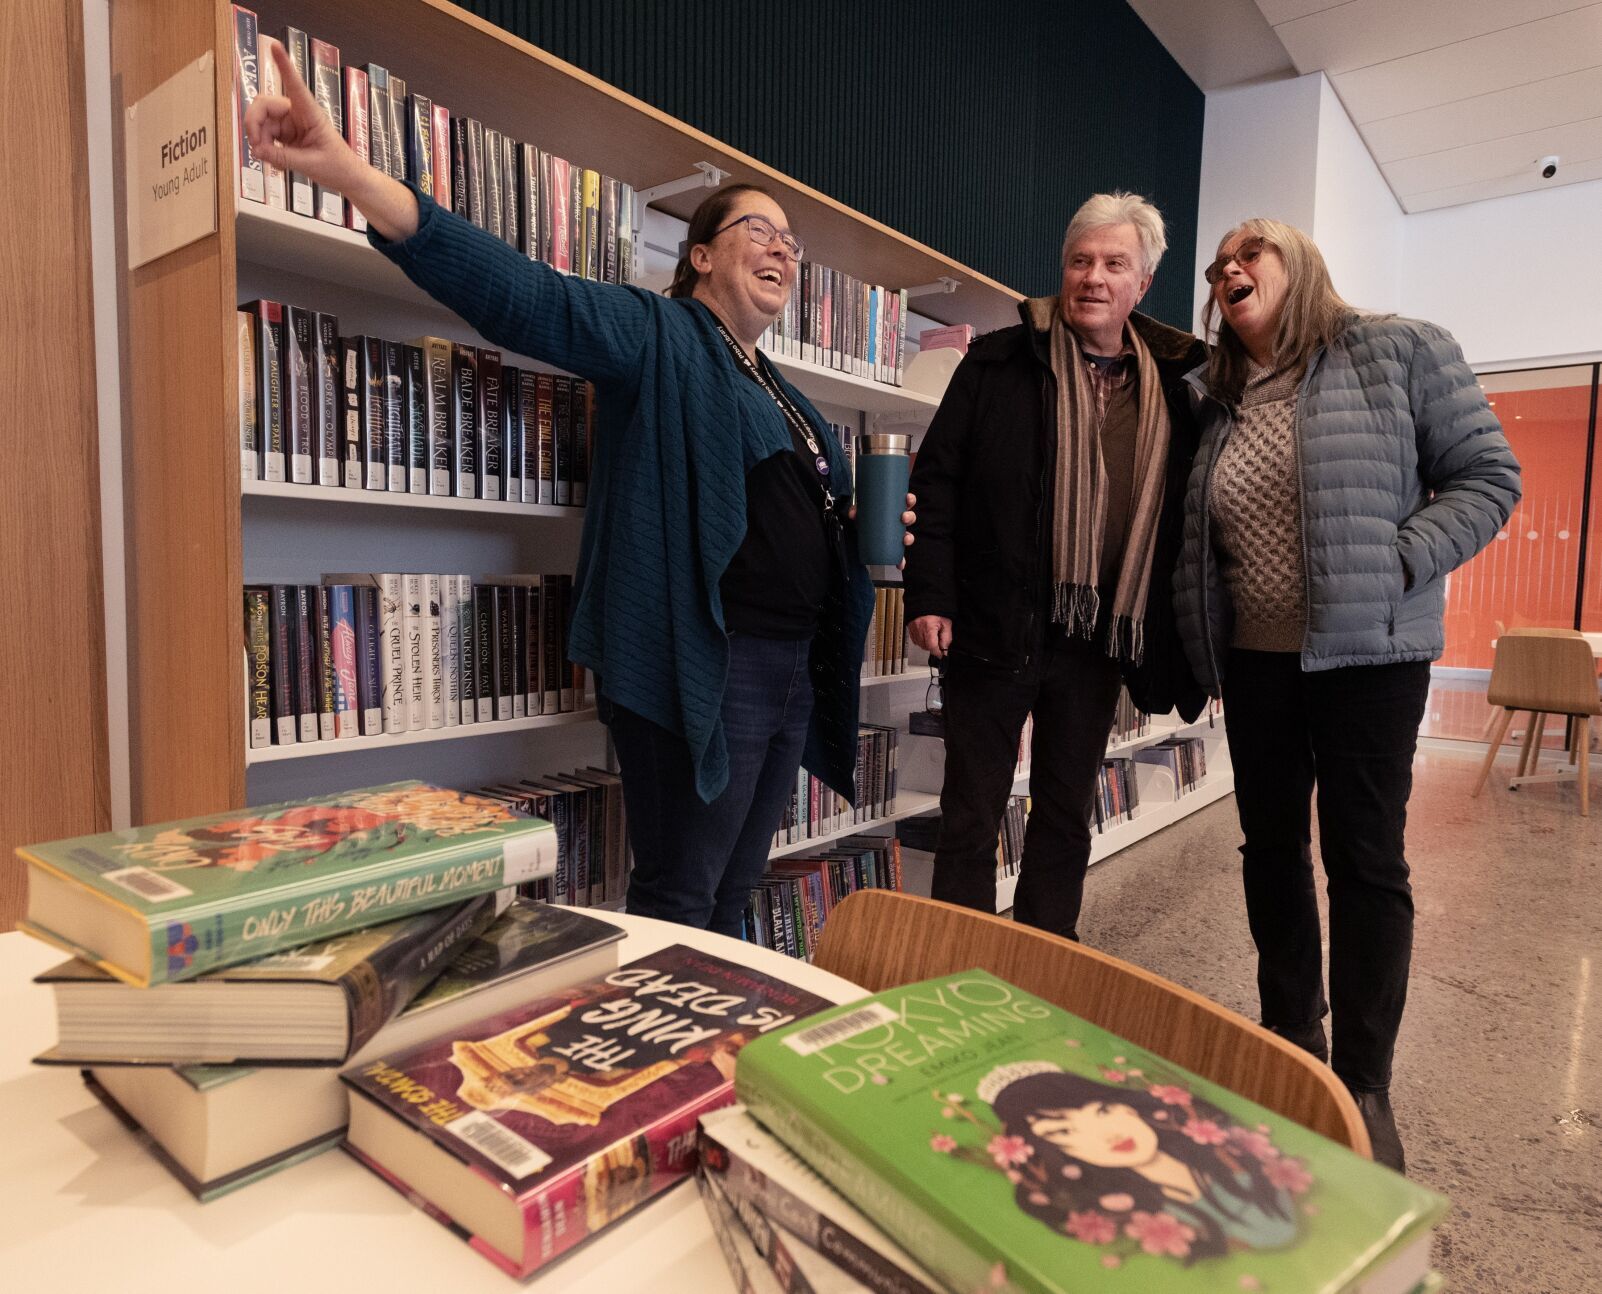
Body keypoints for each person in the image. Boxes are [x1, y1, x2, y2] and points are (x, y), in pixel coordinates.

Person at [244, 41, 913, 937]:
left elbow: (796, 522)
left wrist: (855, 523)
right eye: (761, 231)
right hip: (704, 668)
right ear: (702, 257)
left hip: (790, 666)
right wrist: (353, 175)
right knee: (682, 889)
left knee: (736, 883)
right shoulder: (658, 334)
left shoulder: (786, 392)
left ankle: (703, 1036)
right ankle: (666, 1064)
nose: (784, 252)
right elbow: (526, 297)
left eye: (793, 243)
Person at [1174, 218, 1520, 1172]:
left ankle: (1365, 1082)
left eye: (1251, 250)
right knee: (1272, 851)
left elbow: (1490, 478)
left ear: (1302, 264)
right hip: (1258, 663)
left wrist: (1397, 560)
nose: (1229, 268)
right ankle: (1293, 1044)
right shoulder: (1216, 396)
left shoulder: (1399, 349)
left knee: (1365, 859)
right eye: (1218, 265)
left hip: (1372, 656)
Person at [904, 192, 1206, 940]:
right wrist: (929, 593)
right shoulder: (999, 360)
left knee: (1066, 813)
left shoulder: (1173, 389)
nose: (1093, 277)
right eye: (1080, 260)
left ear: (1142, 285)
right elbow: (937, 477)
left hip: (1097, 642)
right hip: (991, 626)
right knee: (972, 812)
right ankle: (958, 966)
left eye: (1113, 264)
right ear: (1061, 270)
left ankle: (1045, 958)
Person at [987, 1067, 1300, 1262]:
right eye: (1063, 1132)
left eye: (1103, 1111)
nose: (1107, 1134)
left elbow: (1277, 1229)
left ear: (1129, 1107)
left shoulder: (1236, 1164)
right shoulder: (1136, 1217)